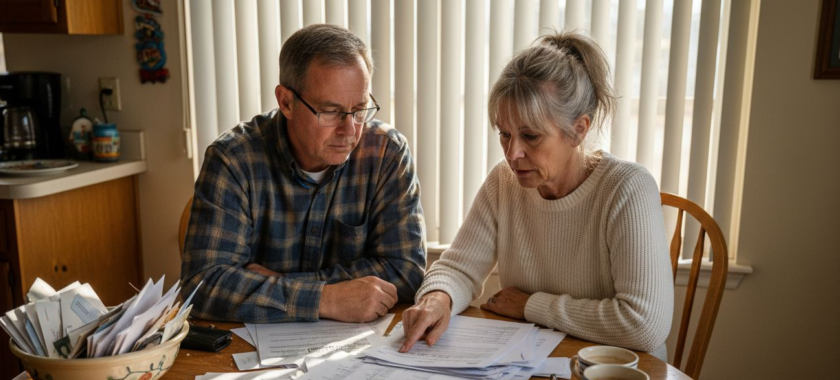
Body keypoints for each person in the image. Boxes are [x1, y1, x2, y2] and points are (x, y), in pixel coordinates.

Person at [400, 31, 674, 358]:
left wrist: (532, 305)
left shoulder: (627, 187)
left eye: (530, 136)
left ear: (579, 130)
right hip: (532, 365)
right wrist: (437, 298)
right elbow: (459, 268)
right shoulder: (504, 181)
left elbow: (644, 324)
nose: (513, 153)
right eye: (505, 134)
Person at [181, 24, 426, 324]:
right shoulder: (233, 160)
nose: (349, 130)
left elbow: (407, 270)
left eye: (359, 109)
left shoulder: (386, 153)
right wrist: (326, 298)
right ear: (286, 102)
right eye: (330, 111)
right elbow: (203, 285)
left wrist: (284, 283)